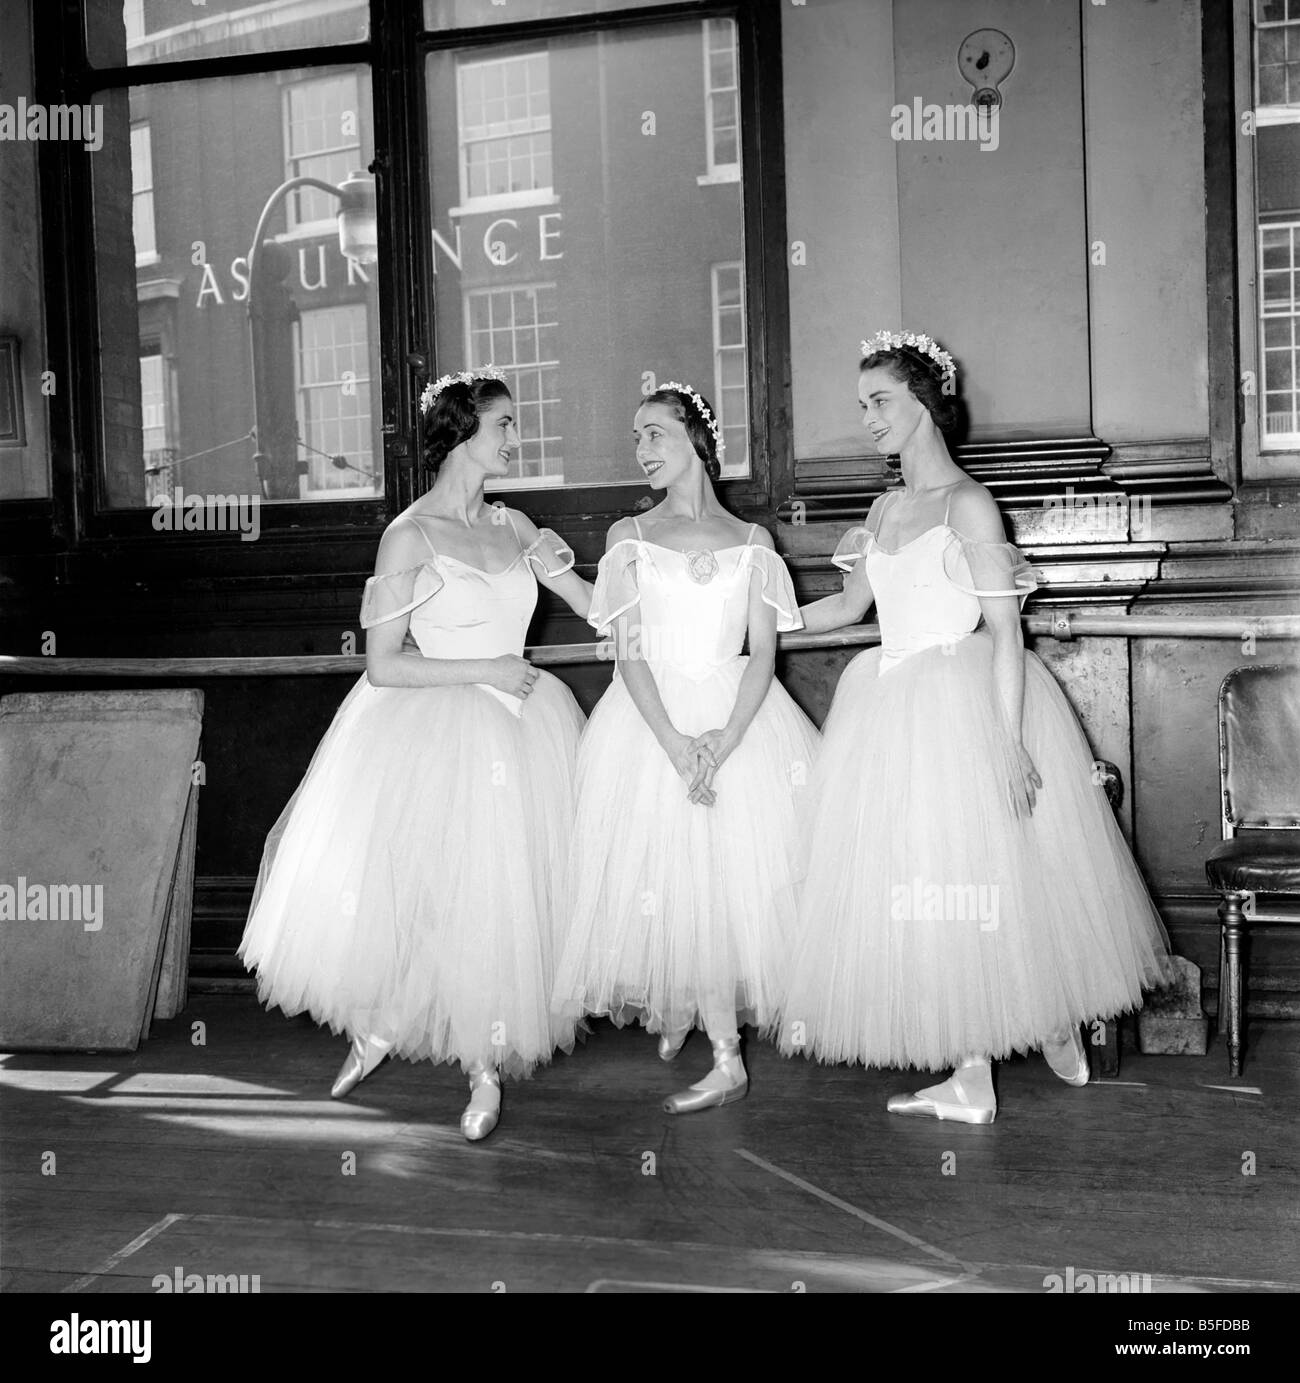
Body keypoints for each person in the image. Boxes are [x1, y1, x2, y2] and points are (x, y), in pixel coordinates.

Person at [777, 332, 1170, 1123]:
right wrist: (764, 625)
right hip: (885, 701)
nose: (869, 420)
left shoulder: (969, 504)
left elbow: (1005, 632)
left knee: (983, 877)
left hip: (961, 699)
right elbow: (851, 609)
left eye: (880, 401)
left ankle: (1033, 1028)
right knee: (923, 880)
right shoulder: (885, 509)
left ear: (924, 404)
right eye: (863, 407)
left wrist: (1007, 741)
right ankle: (989, 1060)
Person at [239, 368, 591, 1141]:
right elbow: (384, 664)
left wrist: (670, 571)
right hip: (439, 729)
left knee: (503, 900)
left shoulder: (517, 527)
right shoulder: (410, 535)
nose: (514, 438)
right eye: (504, 424)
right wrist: (488, 669)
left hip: (527, 727)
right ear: (463, 432)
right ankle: (385, 1026)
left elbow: (599, 605)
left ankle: (483, 1065)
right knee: (440, 899)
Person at [553, 383, 820, 1113]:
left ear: (697, 441)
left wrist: (723, 742)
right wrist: (676, 745)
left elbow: (763, 654)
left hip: (739, 721)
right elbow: (628, 654)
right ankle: (700, 1028)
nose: (642, 451)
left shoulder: (755, 543)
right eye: (636, 438)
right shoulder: (627, 538)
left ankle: (724, 1051)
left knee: (728, 887)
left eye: (655, 434)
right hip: (651, 723)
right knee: (673, 881)